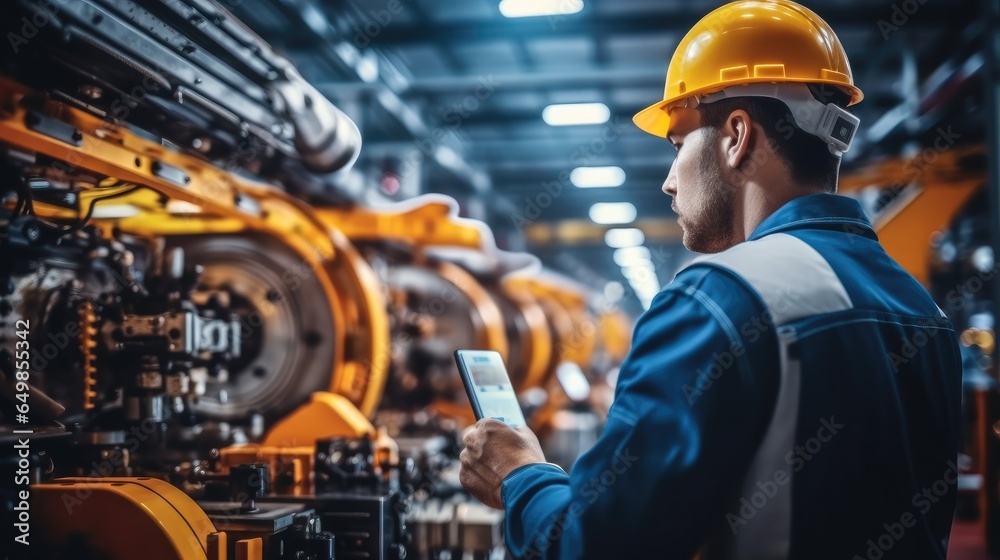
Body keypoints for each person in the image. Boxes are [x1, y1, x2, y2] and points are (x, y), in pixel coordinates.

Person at [458, 0, 963, 558]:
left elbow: (596, 546)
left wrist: (520, 477)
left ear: (736, 136)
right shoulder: (923, 310)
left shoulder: (718, 300)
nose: (669, 182)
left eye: (678, 146)